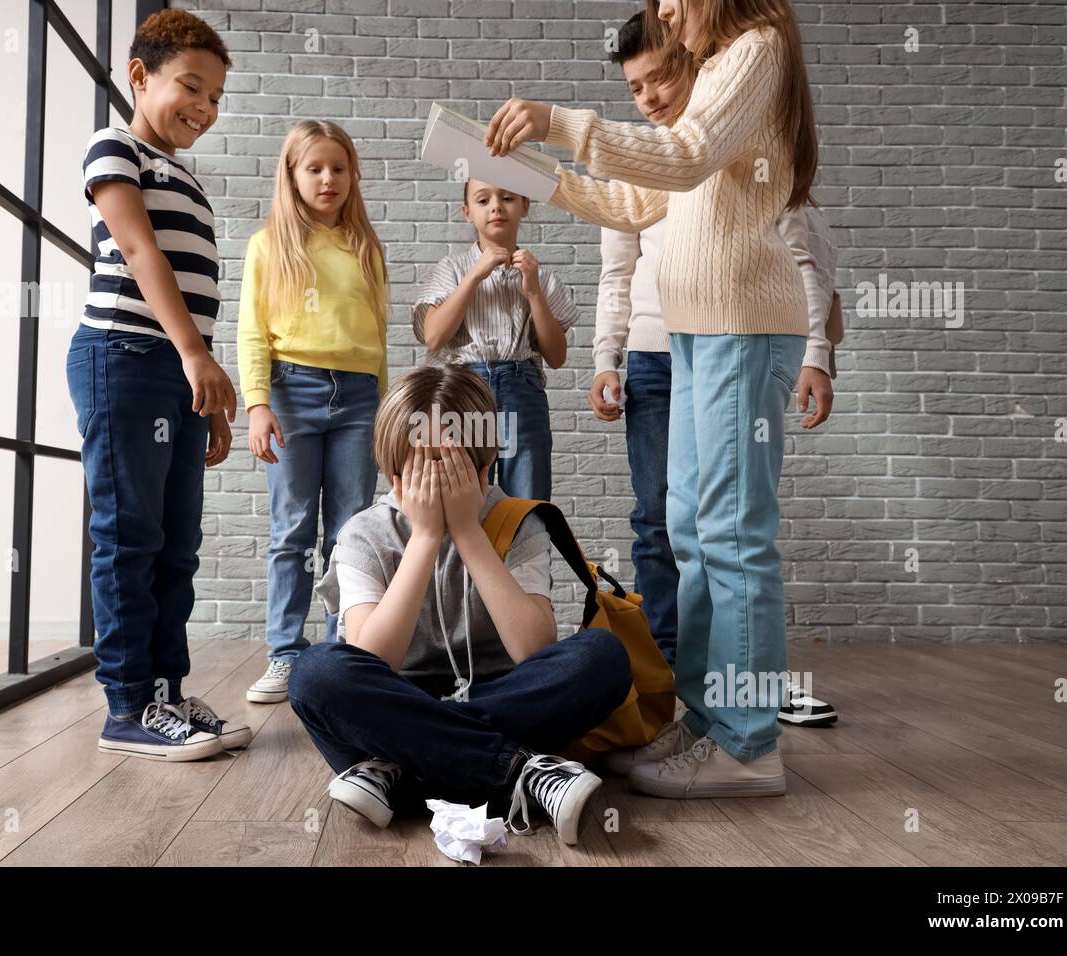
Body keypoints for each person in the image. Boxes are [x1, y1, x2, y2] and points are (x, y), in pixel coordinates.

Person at [485, 0, 826, 798]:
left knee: (733, 535)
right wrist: (528, 171)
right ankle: (708, 722)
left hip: (744, 326)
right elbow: (644, 201)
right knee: (689, 529)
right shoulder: (716, 70)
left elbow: (684, 156)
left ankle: (748, 743)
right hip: (699, 331)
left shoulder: (758, 48)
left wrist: (560, 122)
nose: (666, 11)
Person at [291, 365, 634, 845]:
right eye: (422, 464)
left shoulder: (517, 524)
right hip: (394, 704)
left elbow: (533, 649)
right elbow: (373, 659)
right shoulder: (365, 534)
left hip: (499, 697)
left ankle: (405, 774)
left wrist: (469, 532)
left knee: (603, 657)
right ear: (394, 472)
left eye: (450, 463)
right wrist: (427, 535)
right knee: (315, 673)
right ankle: (524, 774)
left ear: (484, 465)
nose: (437, 479)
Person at [68, 9, 249, 760]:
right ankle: (126, 706)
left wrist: (201, 388)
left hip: (173, 372)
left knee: (176, 544)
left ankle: (167, 693)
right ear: (140, 76)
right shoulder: (114, 148)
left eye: (214, 100)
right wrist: (195, 358)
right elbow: (142, 254)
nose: (203, 110)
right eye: (190, 88)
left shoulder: (187, 177)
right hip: (123, 358)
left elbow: (193, 288)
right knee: (129, 536)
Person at [238, 121, 390, 705]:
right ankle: (284, 653)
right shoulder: (269, 244)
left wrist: (381, 407)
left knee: (352, 528)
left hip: (357, 399)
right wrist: (257, 405)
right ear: (293, 175)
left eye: (339, 168)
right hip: (290, 391)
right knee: (293, 528)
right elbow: (253, 332)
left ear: (353, 175)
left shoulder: (365, 248)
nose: (328, 179)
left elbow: (375, 338)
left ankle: (340, 653)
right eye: (315, 168)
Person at [411, 179, 580, 501]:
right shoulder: (453, 267)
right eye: (483, 200)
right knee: (465, 494)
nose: (496, 207)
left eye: (507, 197)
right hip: (465, 389)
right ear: (467, 212)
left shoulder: (541, 277)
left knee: (527, 499)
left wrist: (532, 291)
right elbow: (433, 337)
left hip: (522, 388)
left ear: (525, 205)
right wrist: (475, 275)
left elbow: (557, 357)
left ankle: (524, 553)